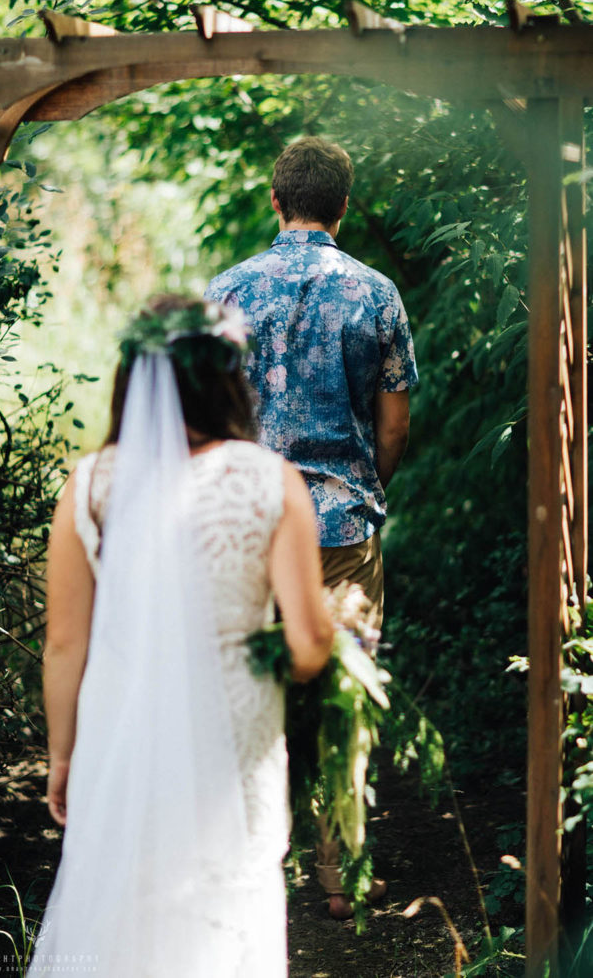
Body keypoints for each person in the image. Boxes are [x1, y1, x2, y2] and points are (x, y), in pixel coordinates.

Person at [28, 294, 334, 978]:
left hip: (122, 732)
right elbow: (311, 645)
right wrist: (305, 642)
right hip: (234, 738)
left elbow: (64, 646)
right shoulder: (271, 481)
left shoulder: (89, 486)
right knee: (229, 910)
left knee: (125, 911)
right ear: (225, 376)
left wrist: (64, 756)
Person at [205, 136, 418, 919]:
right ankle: (339, 876)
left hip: (250, 524)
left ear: (274, 199)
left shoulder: (224, 291)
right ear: (344, 206)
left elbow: (205, 419)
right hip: (341, 526)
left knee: (246, 689)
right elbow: (393, 426)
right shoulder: (376, 295)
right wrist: (361, 487)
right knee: (345, 688)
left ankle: (245, 860)